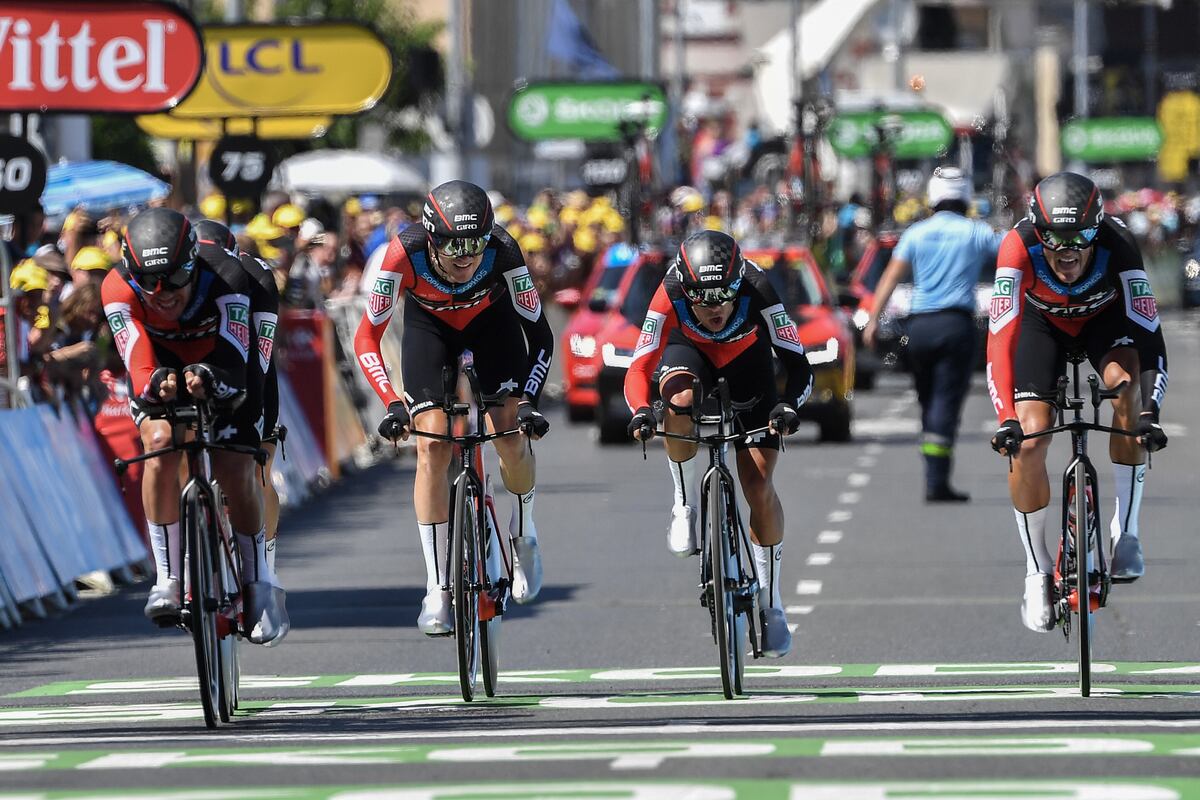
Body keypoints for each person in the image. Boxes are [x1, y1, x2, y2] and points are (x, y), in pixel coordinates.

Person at [353, 180, 555, 635]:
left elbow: (540, 336)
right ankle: (437, 586)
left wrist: (529, 401)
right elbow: (367, 336)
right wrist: (391, 400)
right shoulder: (402, 255)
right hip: (431, 330)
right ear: (430, 238)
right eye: (452, 245)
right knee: (432, 445)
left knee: (507, 432)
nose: (465, 256)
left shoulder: (503, 251)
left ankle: (525, 534)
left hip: (492, 326)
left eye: (474, 244)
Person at [986, 171, 1168, 632]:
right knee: (1027, 441)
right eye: (1052, 239)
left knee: (1126, 390)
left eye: (1080, 239)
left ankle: (1126, 531)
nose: (1066, 253)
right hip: (1039, 325)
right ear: (1036, 229)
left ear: (1098, 228)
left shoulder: (1120, 244)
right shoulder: (1015, 246)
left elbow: (1150, 337)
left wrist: (1150, 413)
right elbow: (999, 341)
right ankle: (1035, 568)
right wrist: (1006, 418)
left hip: (1103, 323)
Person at [623, 229, 814, 658]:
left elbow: (799, 367)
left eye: (724, 296)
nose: (715, 308)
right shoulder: (668, 289)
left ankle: (771, 602)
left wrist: (786, 406)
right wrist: (640, 410)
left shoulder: (759, 287)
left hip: (748, 365)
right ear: (685, 288)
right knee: (680, 399)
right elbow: (637, 370)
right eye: (702, 299)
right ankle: (684, 503)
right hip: (686, 353)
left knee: (758, 485)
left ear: (738, 282)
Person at [101, 208, 286, 645]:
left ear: (193, 265)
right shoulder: (115, 286)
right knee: (160, 441)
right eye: (149, 282)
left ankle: (258, 581)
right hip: (163, 362)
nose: (162, 293)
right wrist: (153, 383)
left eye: (174, 281)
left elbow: (245, 362)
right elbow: (137, 359)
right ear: (132, 272)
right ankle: (166, 577)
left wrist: (216, 382)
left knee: (238, 466)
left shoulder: (233, 275)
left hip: (227, 363)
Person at [864, 167, 1002, 502]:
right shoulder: (977, 233)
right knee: (946, 402)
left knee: (927, 400)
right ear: (966, 196)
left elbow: (890, 278)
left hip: (919, 327)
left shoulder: (916, 233)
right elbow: (1012, 260)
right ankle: (936, 480)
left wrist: (872, 320)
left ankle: (933, 471)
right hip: (956, 326)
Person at [194, 219, 288, 646]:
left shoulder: (255, 277)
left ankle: (263, 568)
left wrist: (259, 424)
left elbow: (261, 360)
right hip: (194, 368)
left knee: (256, 464)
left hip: (246, 369)